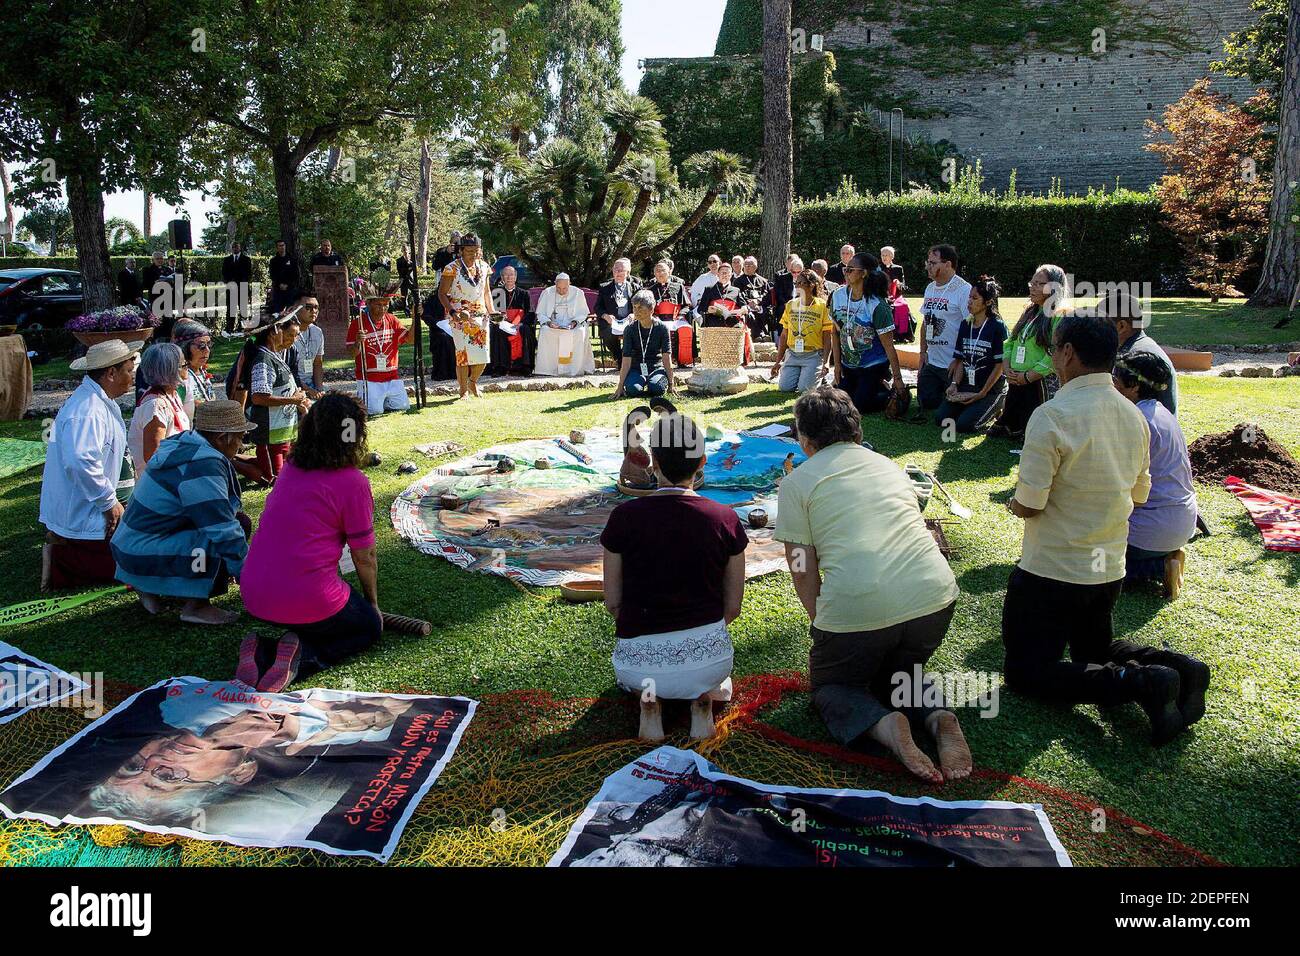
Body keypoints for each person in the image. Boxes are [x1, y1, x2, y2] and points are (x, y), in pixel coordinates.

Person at [1002, 314, 1209, 746]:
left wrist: (1014, 503)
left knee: (1025, 673)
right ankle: (1179, 669)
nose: (1054, 354)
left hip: (1052, 572)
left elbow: (1030, 503)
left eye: (1055, 347)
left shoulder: (1051, 415)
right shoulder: (1134, 415)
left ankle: (1143, 684)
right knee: (1093, 654)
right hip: (1107, 570)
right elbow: (1138, 495)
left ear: (1068, 354)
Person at [775, 387, 969, 782]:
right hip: (935, 600)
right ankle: (938, 717)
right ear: (857, 431)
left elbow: (800, 564)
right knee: (901, 674)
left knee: (833, 686)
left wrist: (821, 621)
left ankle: (886, 727)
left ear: (805, 440)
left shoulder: (797, 483)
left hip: (860, 608)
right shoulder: (889, 466)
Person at [602, 413, 746, 741]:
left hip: (638, 664)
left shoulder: (622, 518)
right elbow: (733, 607)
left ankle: (650, 701)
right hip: (710, 660)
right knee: (710, 678)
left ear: (653, 463)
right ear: (702, 463)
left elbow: (612, 602)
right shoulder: (725, 519)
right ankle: (701, 697)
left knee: (646, 678)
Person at [239, 394, 384, 692]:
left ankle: (268, 648)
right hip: (307, 599)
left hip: (254, 594)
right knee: (367, 628)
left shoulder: (290, 470)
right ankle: (302, 656)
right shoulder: (353, 482)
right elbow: (365, 556)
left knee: (319, 610)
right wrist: (372, 605)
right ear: (354, 434)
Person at [112, 400, 254, 625]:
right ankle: (196, 606)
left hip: (130, 550)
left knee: (233, 525)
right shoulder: (203, 463)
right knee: (224, 535)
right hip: (141, 552)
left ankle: (147, 585)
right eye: (239, 436)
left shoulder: (187, 446)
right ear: (222, 438)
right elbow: (222, 529)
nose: (241, 444)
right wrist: (248, 575)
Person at [38, 340, 142, 591]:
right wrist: (109, 503)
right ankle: (61, 558)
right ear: (111, 373)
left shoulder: (98, 400)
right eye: (129, 370)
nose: (133, 377)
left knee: (143, 546)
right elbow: (80, 462)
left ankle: (69, 546)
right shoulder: (88, 411)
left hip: (92, 506)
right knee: (136, 564)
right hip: (87, 511)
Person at [1112, 351, 1197, 598]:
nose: (1111, 385)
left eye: (1116, 380)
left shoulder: (1137, 421)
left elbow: (1121, 484)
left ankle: (1156, 567)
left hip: (1150, 531)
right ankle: (1167, 558)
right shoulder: (1162, 413)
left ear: (1134, 386)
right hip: (1182, 521)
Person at [988, 264, 1069, 440]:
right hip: (1017, 379)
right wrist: (1007, 365)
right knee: (1010, 424)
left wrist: (1031, 375)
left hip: (1039, 383)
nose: (1033, 287)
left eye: (1039, 284)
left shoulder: (1059, 315)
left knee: (1035, 429)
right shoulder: (1030, 311)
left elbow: (1055, 352)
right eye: (1032, 283)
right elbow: (1011, 341)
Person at [828, 253, 905, 413]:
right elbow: (835, 333)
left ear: (863, 273)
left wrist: (898, 378)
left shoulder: (876, 304)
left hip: (873, 364)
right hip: (848, 364)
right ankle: (871, 386)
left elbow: (889, 346)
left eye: (850, 270)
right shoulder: (838, 296)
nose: (845, 273)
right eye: (845, 269)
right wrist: (836, 366)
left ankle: (887, 390)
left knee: (859, 406)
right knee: (838, 404)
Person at [237, 313, 309, 482]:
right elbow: (259, 398)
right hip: (270, 431)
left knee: (286, 473)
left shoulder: (274, 355)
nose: (286, 335)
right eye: (281, 329)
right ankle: (228, 459)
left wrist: (298, 398)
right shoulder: (263, 360)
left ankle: (240, 458)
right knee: (272, 478)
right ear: (273, 332)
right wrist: (293, 400)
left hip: (283, 429)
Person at [934, 275, 1009, 433]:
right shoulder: (965, 324)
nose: (969, 301)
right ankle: (971, 407)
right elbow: (961, 359)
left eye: (974, 298)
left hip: (989, 388)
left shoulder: (997, 327)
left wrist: (982, 393)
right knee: (941, 419)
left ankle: (998, 402)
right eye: (969, 297)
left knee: (964, 426)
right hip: (968, 385)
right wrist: (954, 385)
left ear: (988, 302)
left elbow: (999, 366)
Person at [1097, 289, 1177, 416]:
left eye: (1100, 323)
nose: (1095, 330)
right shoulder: (1144, 349)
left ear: (1121, 326)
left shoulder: (1132, 358)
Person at [916, 244, 970, 414]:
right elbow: (925, 322)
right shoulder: (930, 288)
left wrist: (959, 359)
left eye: (933, 263)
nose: (928, 267)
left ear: (948, 264)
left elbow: (970, 328)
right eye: (928, 262)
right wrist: (923, 352)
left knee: (949, 409)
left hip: (952, 363)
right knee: (925, 402)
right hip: (932, 361)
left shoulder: (963, 289)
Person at [437, 232, 494, 397]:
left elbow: (487, 292)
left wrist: (493, 311)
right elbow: (442, 294)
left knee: (483, 355)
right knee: (462, 354)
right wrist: (453, 312)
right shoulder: (451, 268)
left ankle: (473, 382)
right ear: (461, 251)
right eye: (469, 251)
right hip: (459, 316)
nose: (473, 254)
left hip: (480, 315)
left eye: (476, 251)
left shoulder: (484, 266)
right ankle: (463, 391)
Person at [770, 270, 838, 393]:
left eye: (801, 283)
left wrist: (826, 362)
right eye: (796, 283)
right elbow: (784, 335)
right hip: (793, 354)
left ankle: (819, 379)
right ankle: (809, 376)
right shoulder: (791, 304)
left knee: (804, 389)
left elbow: (828, 337)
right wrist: (778, 361)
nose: (797, 286)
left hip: (813, 355)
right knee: (785, 388)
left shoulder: (822, 306)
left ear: (811, 285)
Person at [129, 343, 191, 476]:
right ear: (170, 370)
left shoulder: (171, 395)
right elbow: (153, 457)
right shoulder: (156, 405)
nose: (188, 366)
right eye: (184, 364)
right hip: (157, 485)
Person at [347, 289, 409, 415]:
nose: (383, 308)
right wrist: (358, 342)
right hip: (369, 379)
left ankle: (382, 400)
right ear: (369, 304)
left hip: (392, 377)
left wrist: (416, 318)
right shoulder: (357, 323)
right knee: (374, 411)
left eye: (386, 304)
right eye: (379, 305)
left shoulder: (392, 320)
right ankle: (369, 400)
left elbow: (411, 339)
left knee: (403, 406)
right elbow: (352, 353)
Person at [613, 290, 676, 398]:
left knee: (657, 389)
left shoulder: (662, 328)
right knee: (632, 390)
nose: (636, 312)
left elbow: (666, 357)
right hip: (636, 368)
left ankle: (654, 384)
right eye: (634, 307)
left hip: (656, 368)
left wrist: (671, 383)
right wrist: (620, 386)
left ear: (651, 309)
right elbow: (626, 359)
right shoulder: (629, 329)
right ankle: (638, 384)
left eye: (640, 308)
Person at [535, 272, 594, 377]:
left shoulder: (577, 293)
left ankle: (574, 369)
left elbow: (583, 313)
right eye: (558, 288)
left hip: (572, 326)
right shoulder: (547, 292)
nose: (561, 291)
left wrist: (574, 323)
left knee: (580, 332)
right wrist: (549, 323)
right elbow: (541, 313)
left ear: (569, 284)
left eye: (565, 288)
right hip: (553, 326)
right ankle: (549, 370)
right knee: (545, 332)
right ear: (555, 284)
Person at [487, 265, 537, 377]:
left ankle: (524, 367)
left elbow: (530, 313)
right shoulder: (496, 293)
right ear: (502, 277)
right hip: (503, 324)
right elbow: (492, 312)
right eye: (506, 275)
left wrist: (521, 323)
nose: (509, 277)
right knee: (496, 329)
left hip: (520, 324)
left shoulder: (524, 294)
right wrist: (500, 321)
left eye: (512, 275)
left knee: (526, 330)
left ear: (515, 277)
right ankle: (500, 367)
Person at [595, 258, 642, 364]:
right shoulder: (604, 287)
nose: (618, 272)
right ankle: (619, 358)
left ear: (628, 273)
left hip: (630, 320)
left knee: (634, 331)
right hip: (611, 321)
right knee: (607, 332)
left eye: (621, 270)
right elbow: (598, 307)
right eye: (616, 269)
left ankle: (631, 359)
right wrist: (605, 315)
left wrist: (634, 315)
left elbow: (641, 306)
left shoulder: (636, 288)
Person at [290, 293, 325, 399]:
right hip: (291, 386)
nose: (314, 311)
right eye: (308, 307)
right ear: (295, 309)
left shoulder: (317, 332)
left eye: (316, 307)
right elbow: (287, 372)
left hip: (311, 386)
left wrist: (319, 389)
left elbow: (318, 363)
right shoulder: (287, 333)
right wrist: (308, 390)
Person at [733, 256, 771, 341]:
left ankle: (762, 334)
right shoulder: (737, 281)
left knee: (763, 312)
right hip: (746, 306)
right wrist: (748, 303)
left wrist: (758, 301)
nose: (747, 267)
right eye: (745, 265)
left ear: (755, 267)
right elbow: (738, 295)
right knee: (749, 314)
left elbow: (767, 295)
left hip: (760, 305)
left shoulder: (763, 281)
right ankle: (759, 335)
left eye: (750, 265)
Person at [220, 242, 254, 334]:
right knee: (231, 309)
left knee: (243, 309)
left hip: (242, 287)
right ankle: (230, 328)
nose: (235, 248)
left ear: (240, 248)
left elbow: (248, 274)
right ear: (232, 248)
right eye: (234, 247)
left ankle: (242, 327)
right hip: (231, 288)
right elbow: (224, 273)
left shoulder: (246, 259)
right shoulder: (227, 260)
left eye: (237, 247)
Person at [267, 240, 297, 314]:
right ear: (277, 248)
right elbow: (272, 275)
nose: (282, 247)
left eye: (283, 245)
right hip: (278, 290)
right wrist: (279, 284)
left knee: (290, 311)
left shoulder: (292, 259)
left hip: (289, 289)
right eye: (280, 246)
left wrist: (288, 284)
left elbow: (295, 274)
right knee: (278, 312)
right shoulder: (273, 261)